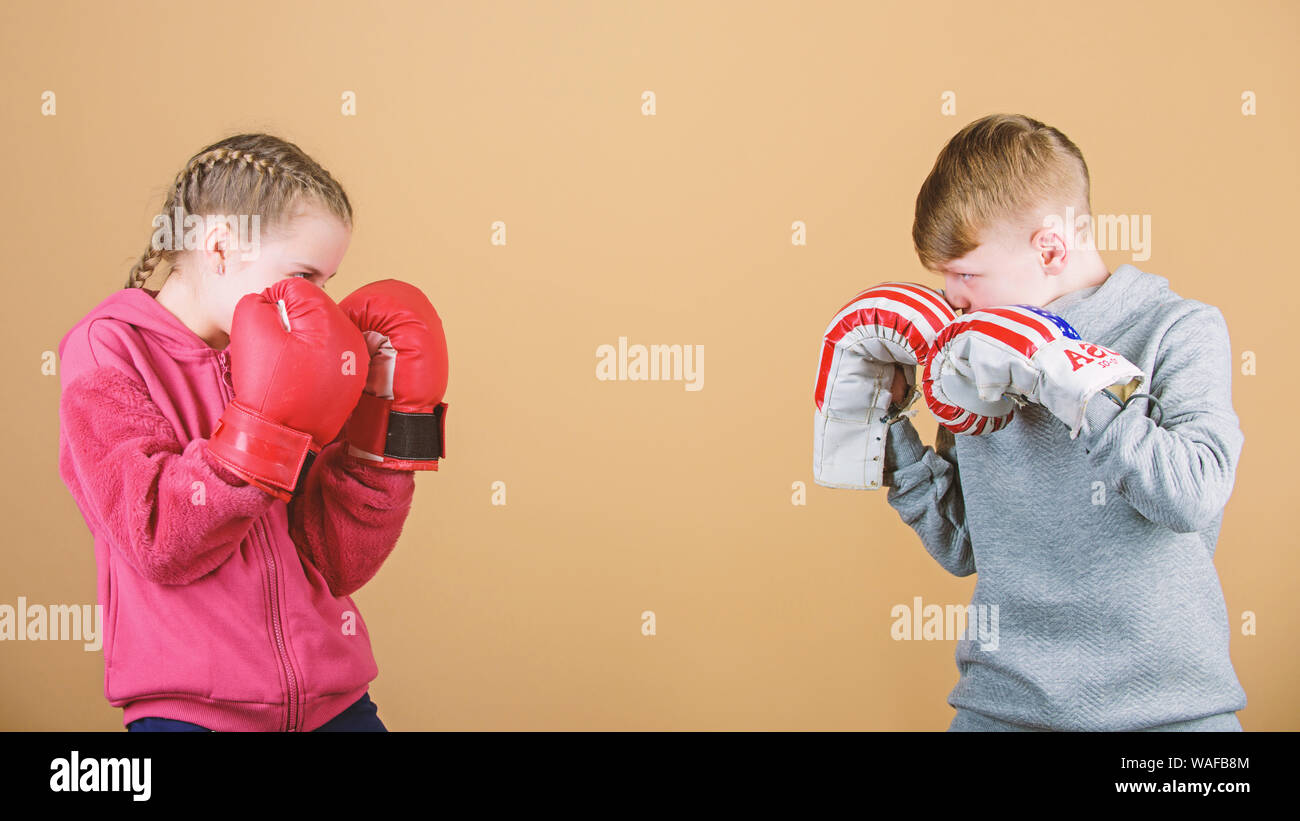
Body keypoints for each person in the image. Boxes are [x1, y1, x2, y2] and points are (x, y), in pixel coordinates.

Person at [57, 133, 444, 731]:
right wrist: (259, 429)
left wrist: (379, 437)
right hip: (193, 713)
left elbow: (338, 561)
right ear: (219, 247)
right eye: (304, 276)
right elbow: (158, 538)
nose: (319, 302)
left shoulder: (290, 356)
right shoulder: (105, 351)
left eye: (327, 280)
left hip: (336, 704)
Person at [882, 113, 1246, 731]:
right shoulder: (969, 355)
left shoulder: (1177, 329)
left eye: (967, 274)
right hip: (1000, 710)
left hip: (1170, 717)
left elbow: (1193, 495)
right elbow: (968, 547)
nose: (951, 298)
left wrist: (1079, 387)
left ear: (1050, 248)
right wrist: (890, 425)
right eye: (944, 277)